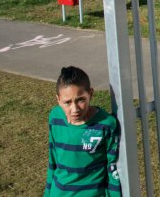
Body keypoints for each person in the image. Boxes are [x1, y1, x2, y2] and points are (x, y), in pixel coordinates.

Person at [45, 66, 121, 196]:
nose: (74, 109)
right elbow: (53, 161)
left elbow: (112, 169)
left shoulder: (106, 124)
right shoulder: (55, 117)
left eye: (80, 100)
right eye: (67, 102)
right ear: (58, 100)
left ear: (90, 94)